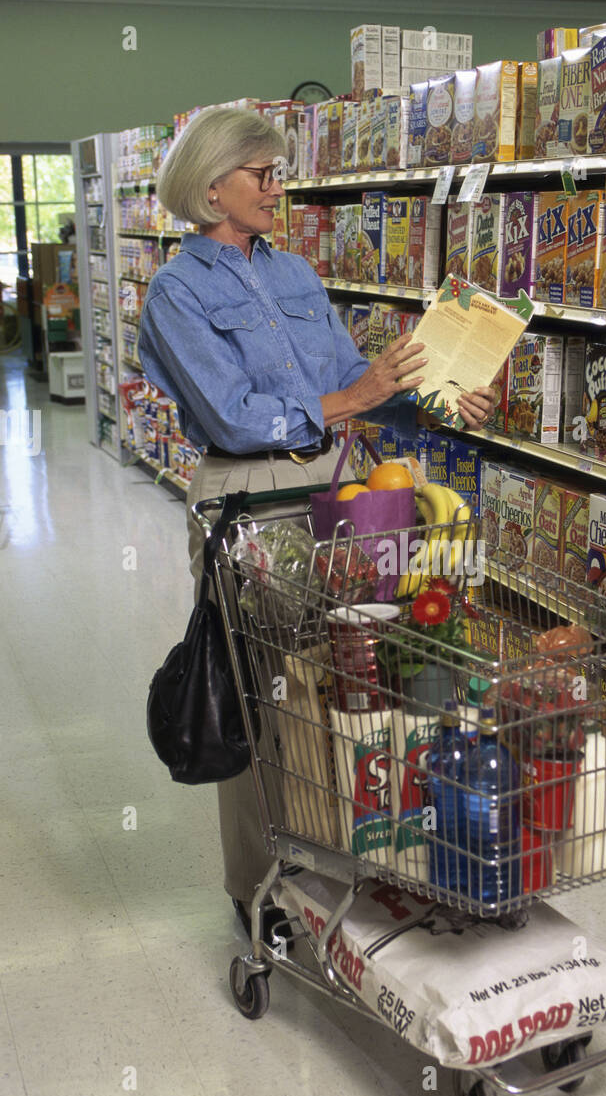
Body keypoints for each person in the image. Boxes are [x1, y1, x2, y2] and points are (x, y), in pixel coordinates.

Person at [138, 105, 497, 928]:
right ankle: (257, 883)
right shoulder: (176, 292)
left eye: (277, 172)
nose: (278, 188)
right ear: (209, 188)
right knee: (261, 691)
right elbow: (230, 415)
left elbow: (354, 381)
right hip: (251, 495)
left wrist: (437, 397)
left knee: (355, 677)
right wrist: (353, 396)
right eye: (261, 175)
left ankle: (354, 850)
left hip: (342, 484)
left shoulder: (295, 274)